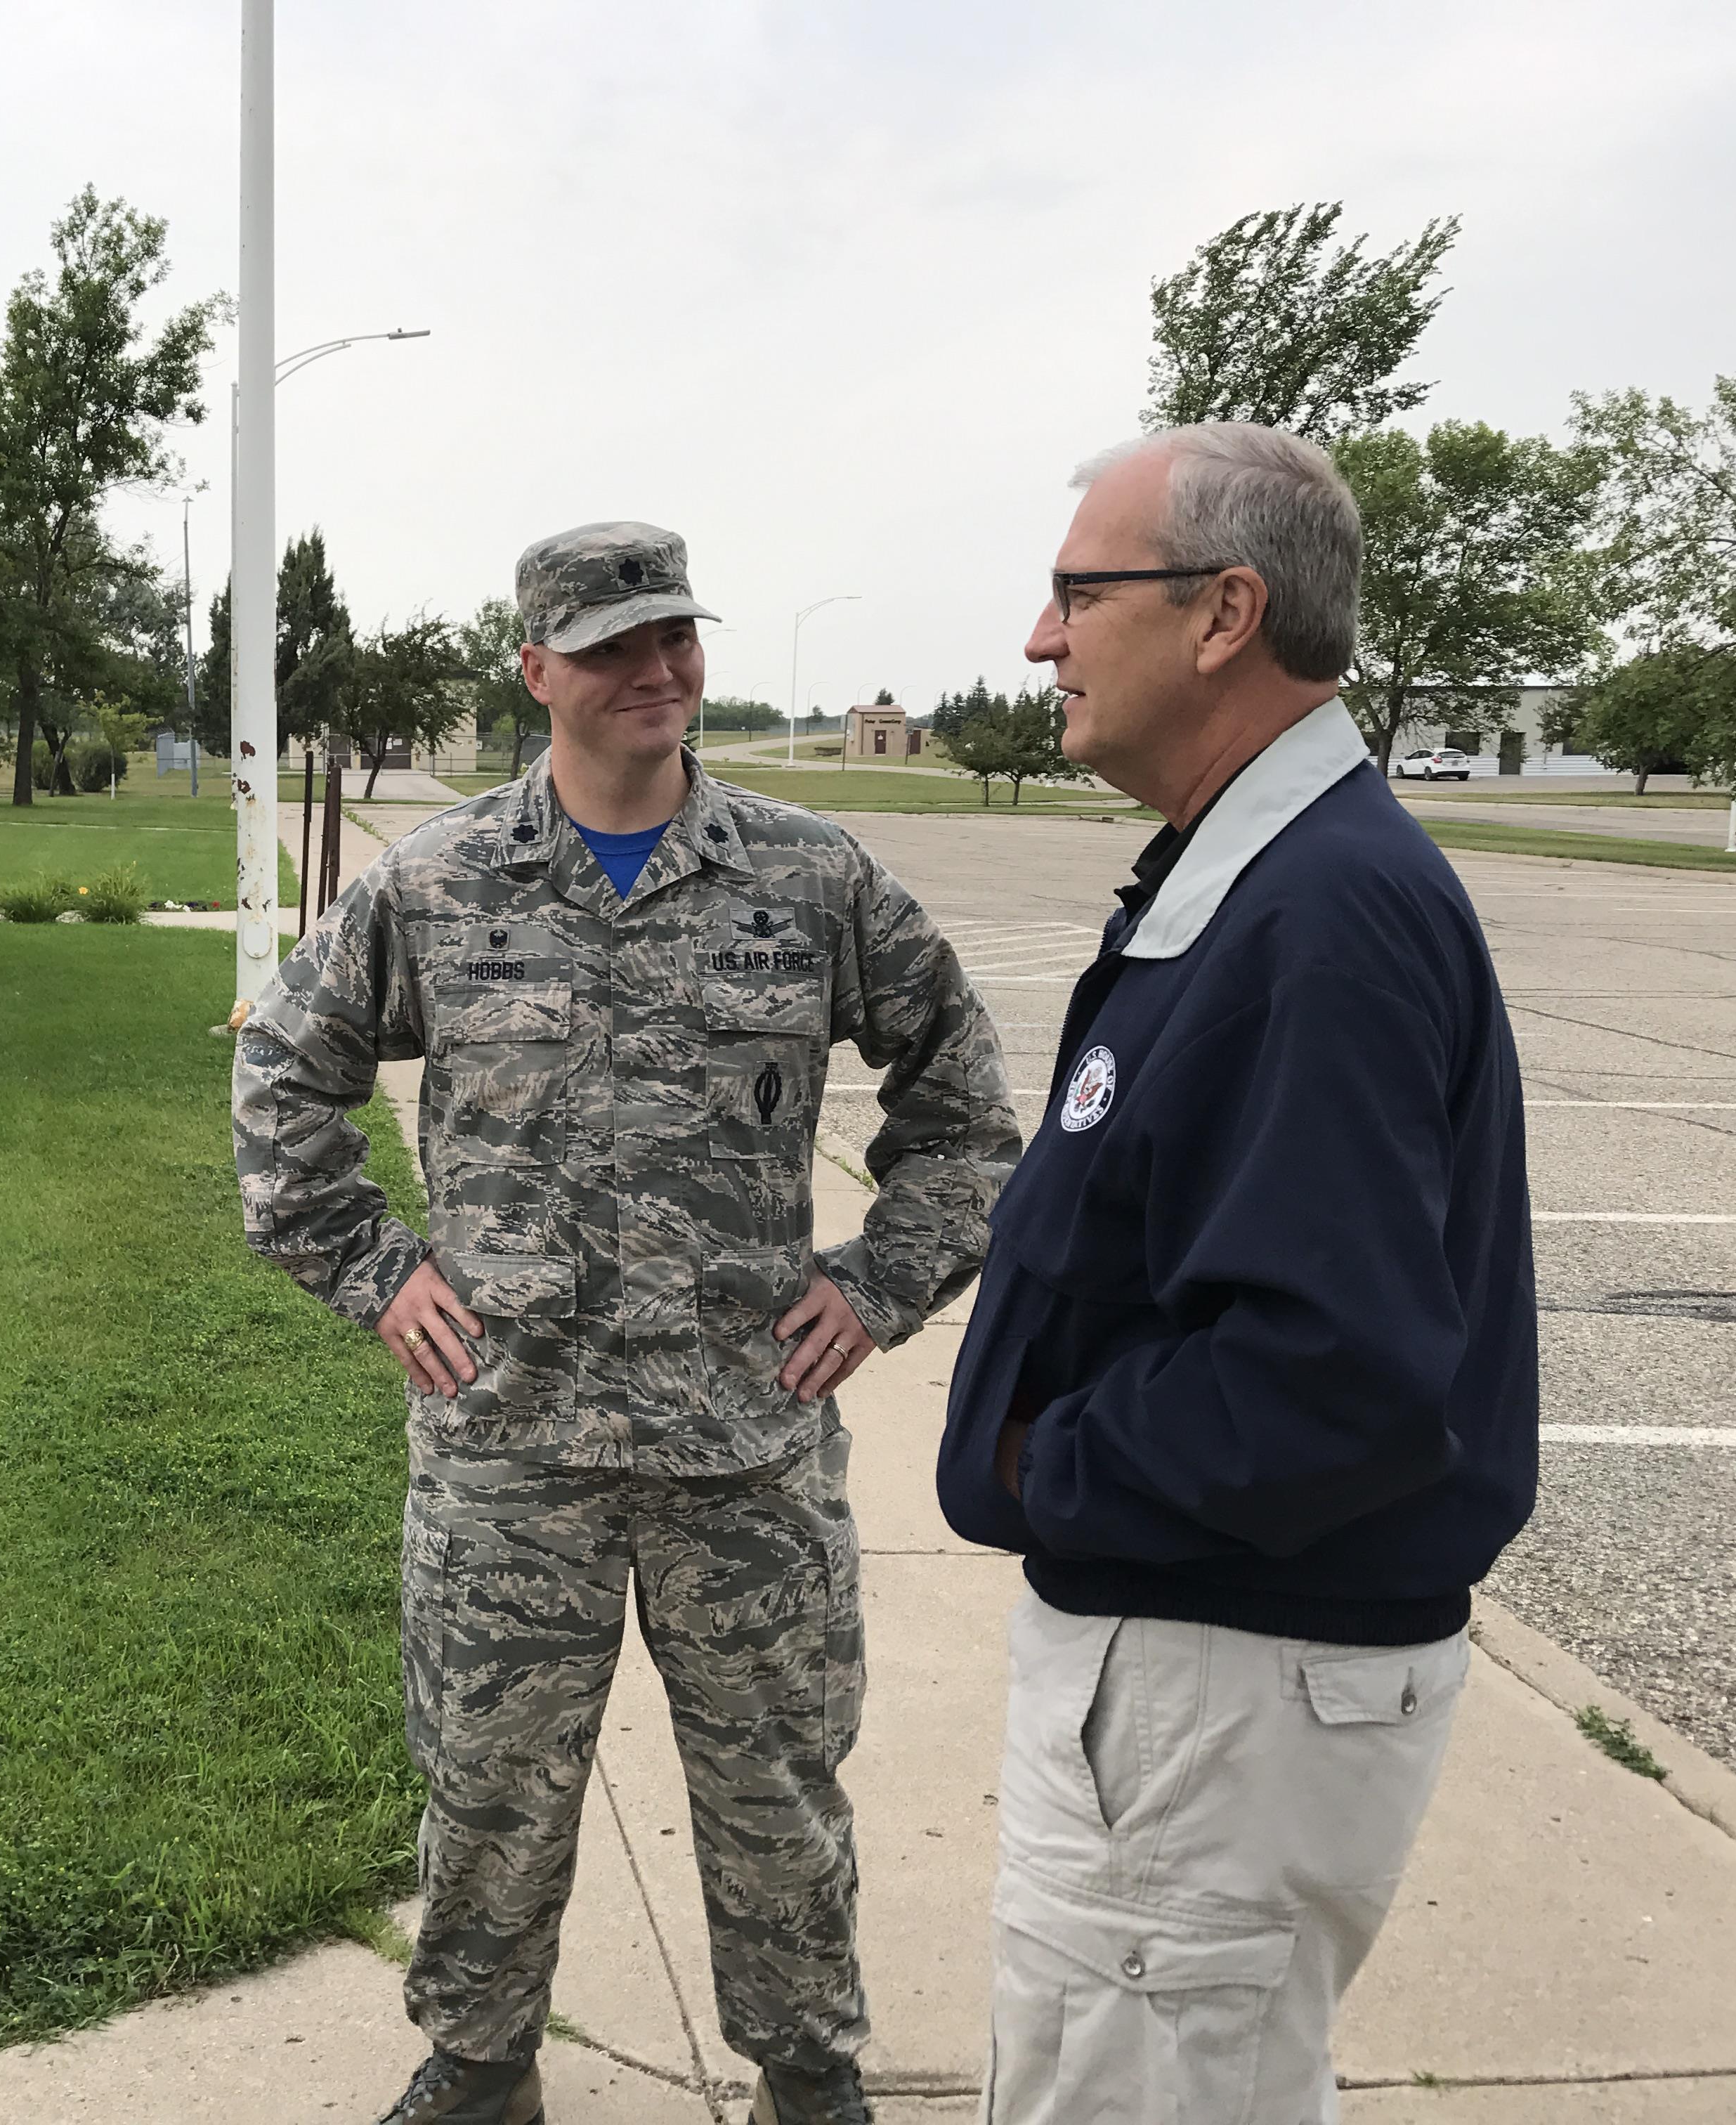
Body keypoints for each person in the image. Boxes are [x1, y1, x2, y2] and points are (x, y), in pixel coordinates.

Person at [235, 524, 1023, 2125]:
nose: (657, 670)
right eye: (611, 648)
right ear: (537, 673)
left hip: (745, 1450)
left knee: (777, 1798)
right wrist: (381, 1274)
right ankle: (477, 2071)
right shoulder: (438, 885)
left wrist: (876, 1284)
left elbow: (969, 1109)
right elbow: (281, 1080)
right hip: (509, 1453)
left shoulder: (811, 881)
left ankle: (810, 2080)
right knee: (489, 1795)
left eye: (674, 636)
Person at [938, 424, 1537, 2123]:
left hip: (1218, 1688)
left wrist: (1037, 1462)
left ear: (1224, 614)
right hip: (1203, 1681)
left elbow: (1328, 1375)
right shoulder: (1260, 874)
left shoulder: (1323, 914)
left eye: (1075, 593)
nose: (1042, 639)